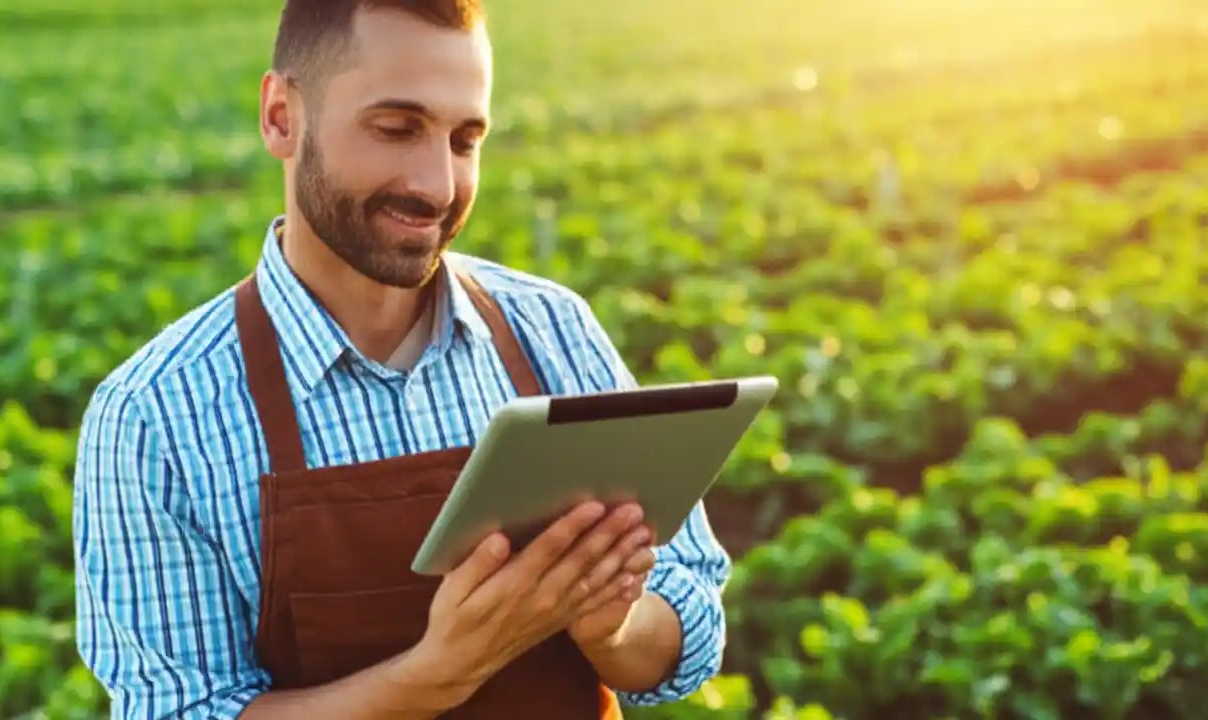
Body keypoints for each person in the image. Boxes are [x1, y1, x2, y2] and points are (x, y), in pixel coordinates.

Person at [72, 1, 732, 717]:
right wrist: (436, 675)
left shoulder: (554, 330)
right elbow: (179, 710)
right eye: (396, 129)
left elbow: (689, 610)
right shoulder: (156, 414)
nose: (437, 186)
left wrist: (615, 628)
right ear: (280, 117)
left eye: (464, 141)